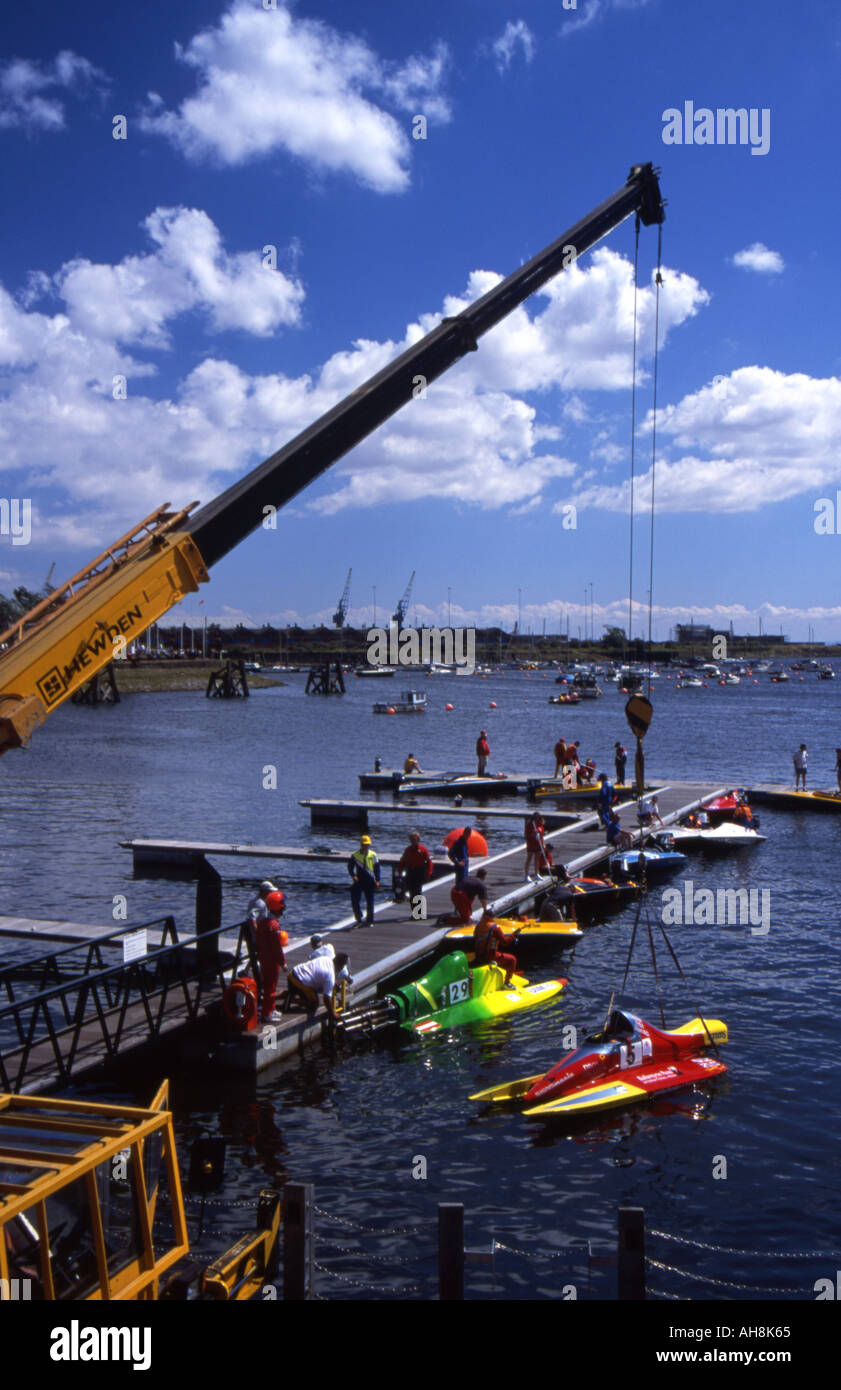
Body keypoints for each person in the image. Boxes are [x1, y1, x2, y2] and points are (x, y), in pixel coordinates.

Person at [284, 951, 350, 1020]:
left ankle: (288, 994)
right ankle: (291, 1000)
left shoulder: (326, 959)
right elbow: (326, 998)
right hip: (299, 981)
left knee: (310, 991)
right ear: (341, 966)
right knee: (314, 1004)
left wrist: (333, 983)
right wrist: (332, 1013)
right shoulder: (330, 976)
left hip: (293, 974)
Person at [256, 890, 288, 1024]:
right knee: (270, 987)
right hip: (271, 960)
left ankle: (271, 1007)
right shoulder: (273, 926)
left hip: (264, 957)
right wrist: (283, 963)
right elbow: (276, 948)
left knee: (269, 985)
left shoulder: (263, 921)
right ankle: (267, 1013)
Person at [472, 910, 519, 986]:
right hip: (489, 956)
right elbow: (505, 942)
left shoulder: (478, 926)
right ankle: (507, 983)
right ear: (491, 918)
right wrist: (514, 935)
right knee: (512, 960)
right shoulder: (495, 927)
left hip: (478, 955)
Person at [348, 835, 380, 927]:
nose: (365, 846)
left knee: (370, 901)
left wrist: (378, 880)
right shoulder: (355, 855)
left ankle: (370, 920)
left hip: (370, 880)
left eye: (367, 844)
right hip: (359, 880)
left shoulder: (373, 855)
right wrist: (353, 875)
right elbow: (350, 867)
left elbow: (377, 868)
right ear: (361, 844)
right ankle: (358, 916)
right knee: (355, 900)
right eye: (364, 844)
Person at [397, 829, 433, 904]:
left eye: (414, 839)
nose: (413, 841)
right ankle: (414, 912)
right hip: (410, 871)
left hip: (419, 872)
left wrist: (429, 873)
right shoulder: (408, 850)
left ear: (418, 840)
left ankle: (419, 913)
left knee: (418, 892)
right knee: (411, 893)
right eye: (411, 839)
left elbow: (429, 862)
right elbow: (402, 861)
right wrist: (399, 871)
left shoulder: (423, 850)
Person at [246, 879, 280, 946]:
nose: (272, 894)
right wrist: (259, 937)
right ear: (264, 892)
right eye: (270, 892)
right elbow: (252, 920)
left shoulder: (259, 901)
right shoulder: (259, 903)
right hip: (260, 939)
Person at [524, 811, 550, 879]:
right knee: (529, 859)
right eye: (535, 818)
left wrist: (543, 844)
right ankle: (526, 875)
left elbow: (541, 835)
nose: (537, 819)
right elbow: (526, 835)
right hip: (531, 844)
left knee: (537, 859)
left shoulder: (540, 824)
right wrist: (532, 834)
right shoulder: (529, 825)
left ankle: (536, 874)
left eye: (538, 818)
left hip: (538, 844)